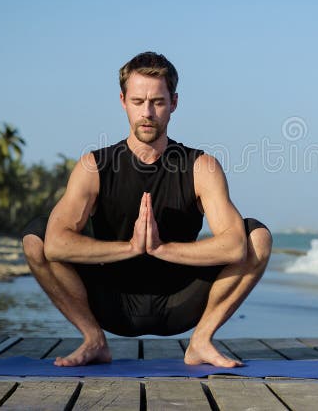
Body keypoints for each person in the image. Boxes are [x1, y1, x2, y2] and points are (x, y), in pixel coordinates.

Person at [21, 52, 272, 368]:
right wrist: (130, 248)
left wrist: (160, 248)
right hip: (110, 304)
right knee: (37, 239)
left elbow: (235, 246)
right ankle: (93, 339)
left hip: (182, 302)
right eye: (138, 101)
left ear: (174, 102)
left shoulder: (201, 167)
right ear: (123, 101)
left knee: (257, 238)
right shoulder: (94, 167)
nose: (148, 112)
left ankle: (201, 341)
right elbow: (56, 243)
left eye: (158, 102)